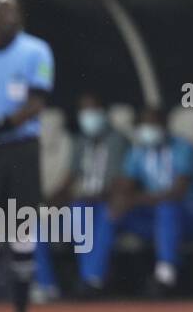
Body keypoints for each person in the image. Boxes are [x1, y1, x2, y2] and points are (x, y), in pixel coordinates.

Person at [84, 106, 193, 296]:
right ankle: (93, 279)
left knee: (167, 207)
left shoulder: (182, 148)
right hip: (158, 220)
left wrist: (133, 200)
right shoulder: (139, 151)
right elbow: (126, 184)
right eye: (144, 124)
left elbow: (177, 192)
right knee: (111, 212)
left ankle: (165, 276)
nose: (147, 129)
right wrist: (117, 198)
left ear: (164, 126)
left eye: (152, 124)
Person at [0, 0, 54, 312]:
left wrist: (1, 125)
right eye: (1, 11)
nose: (7, 17)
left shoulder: (36, 51)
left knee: (20, 228)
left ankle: (21, 309)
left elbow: (37, 101)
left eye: (13, 11)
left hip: (20, 148)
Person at [35, 92, 130, 299]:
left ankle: (91, 280)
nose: (88, 115)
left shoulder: (117, 140)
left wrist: (85, 198)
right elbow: (69, 179)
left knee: (84, 211)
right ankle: (46, 285)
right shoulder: (80, 142)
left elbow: (118, 184)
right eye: (84, 110)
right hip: (81, 204)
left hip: (103, 205)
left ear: (103, 112)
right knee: (34, 223)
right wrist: (46, 203)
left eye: (93, 110)